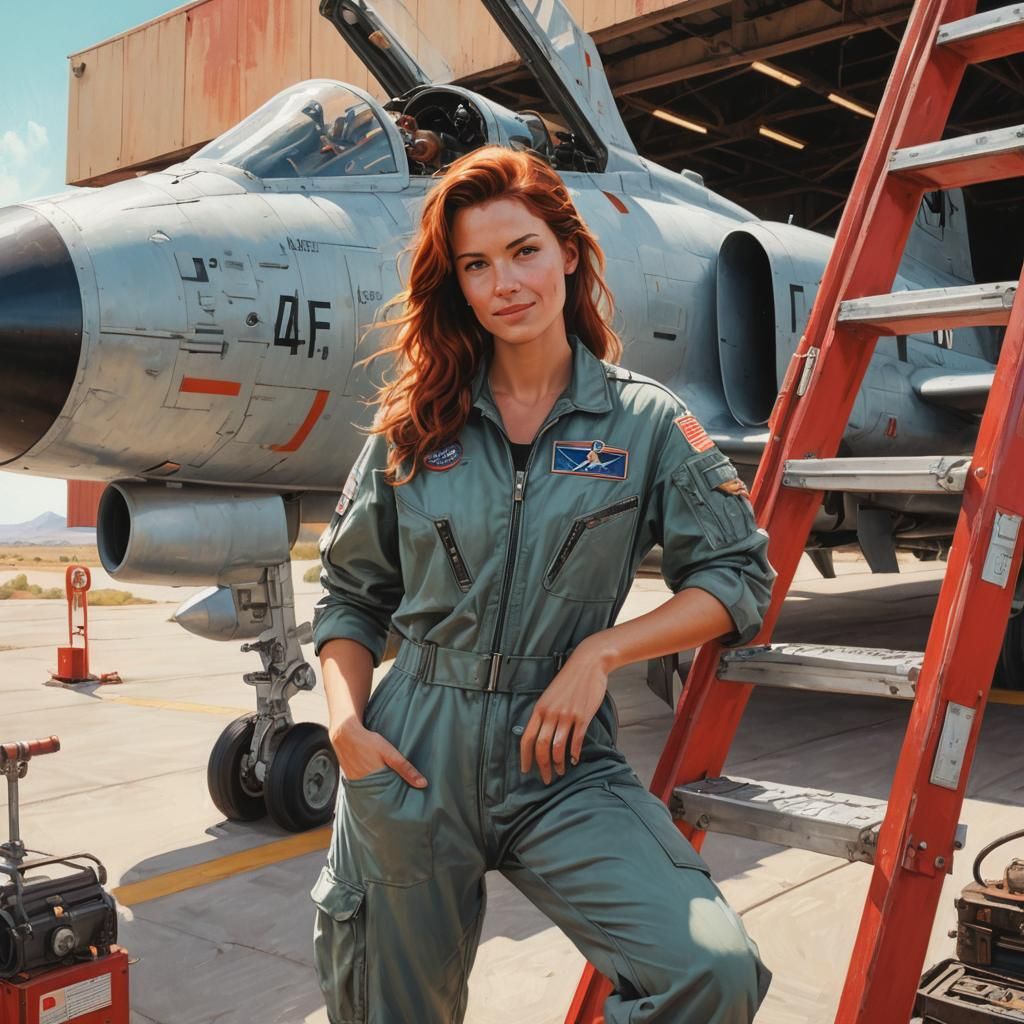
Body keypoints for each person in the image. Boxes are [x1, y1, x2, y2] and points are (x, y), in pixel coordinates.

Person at [309, 144, 776, 1024]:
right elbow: (350, 597)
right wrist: (343, 724)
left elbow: (734, 578)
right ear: (457, 284)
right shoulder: (412, 428)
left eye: (523, 251)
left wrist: (605, 650)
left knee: (711, 972)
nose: (504, 284)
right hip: (411, 754)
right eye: (476, 265)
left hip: (561, 761)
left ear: (569, 249)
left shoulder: (645, 422)